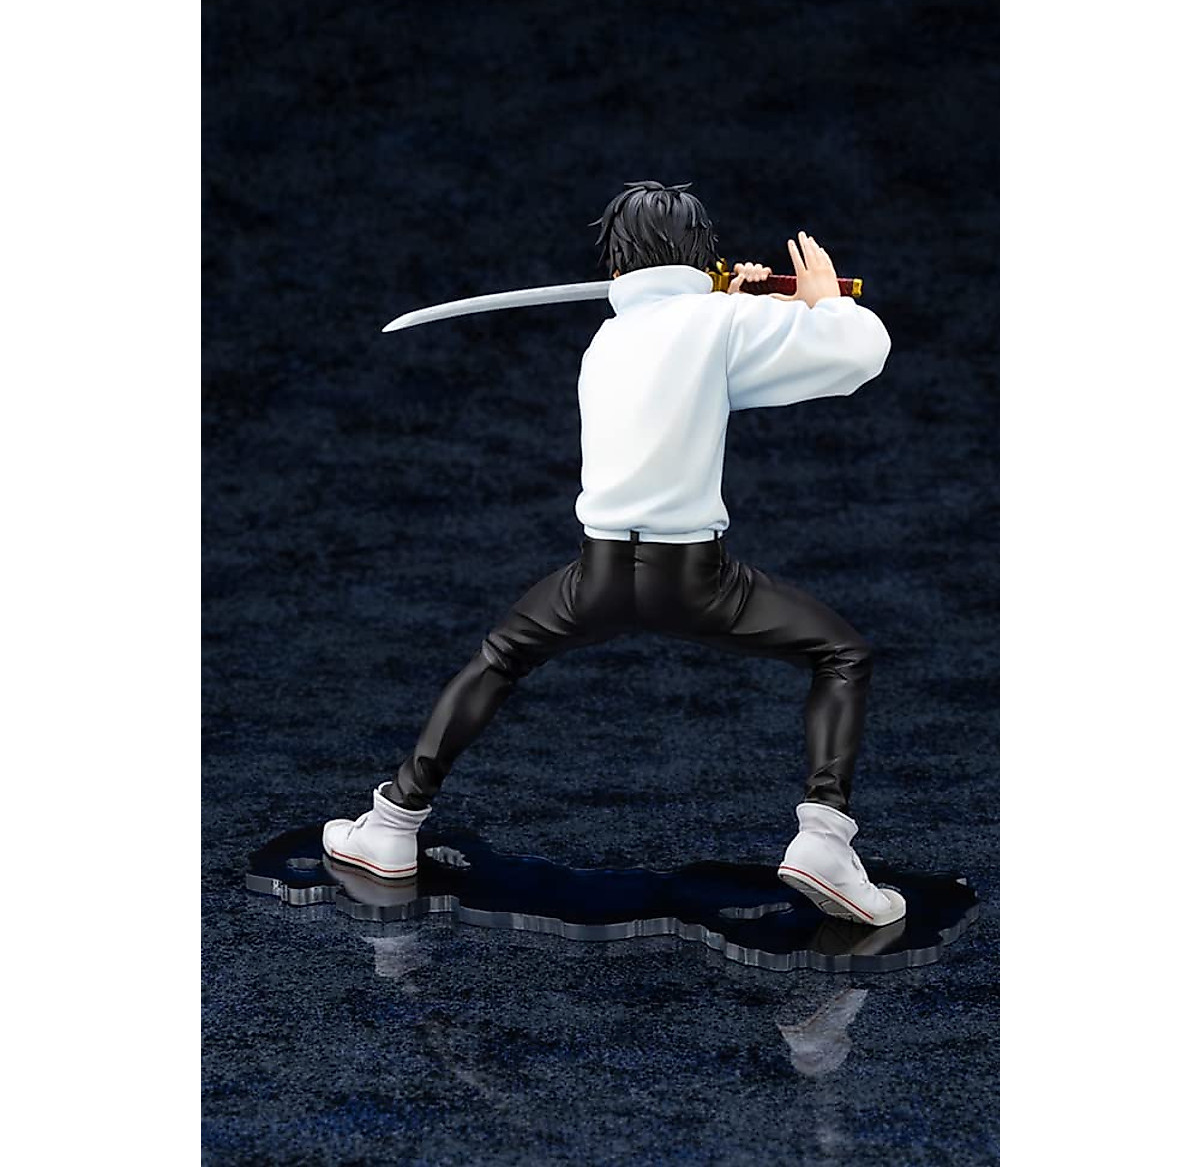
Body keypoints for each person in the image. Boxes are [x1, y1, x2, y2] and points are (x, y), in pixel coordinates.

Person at [323, 181, 905, 926]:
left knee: (500, 657)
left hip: (595, 575)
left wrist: (759, 310)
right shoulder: (720, 322)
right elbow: (857, 356)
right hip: (693, 579)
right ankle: (824, 839)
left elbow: (717, 374)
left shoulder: (611, 338)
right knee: (842, 654)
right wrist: (821, 306)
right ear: (703, 254)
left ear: (619, 262)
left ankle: (392, 823)